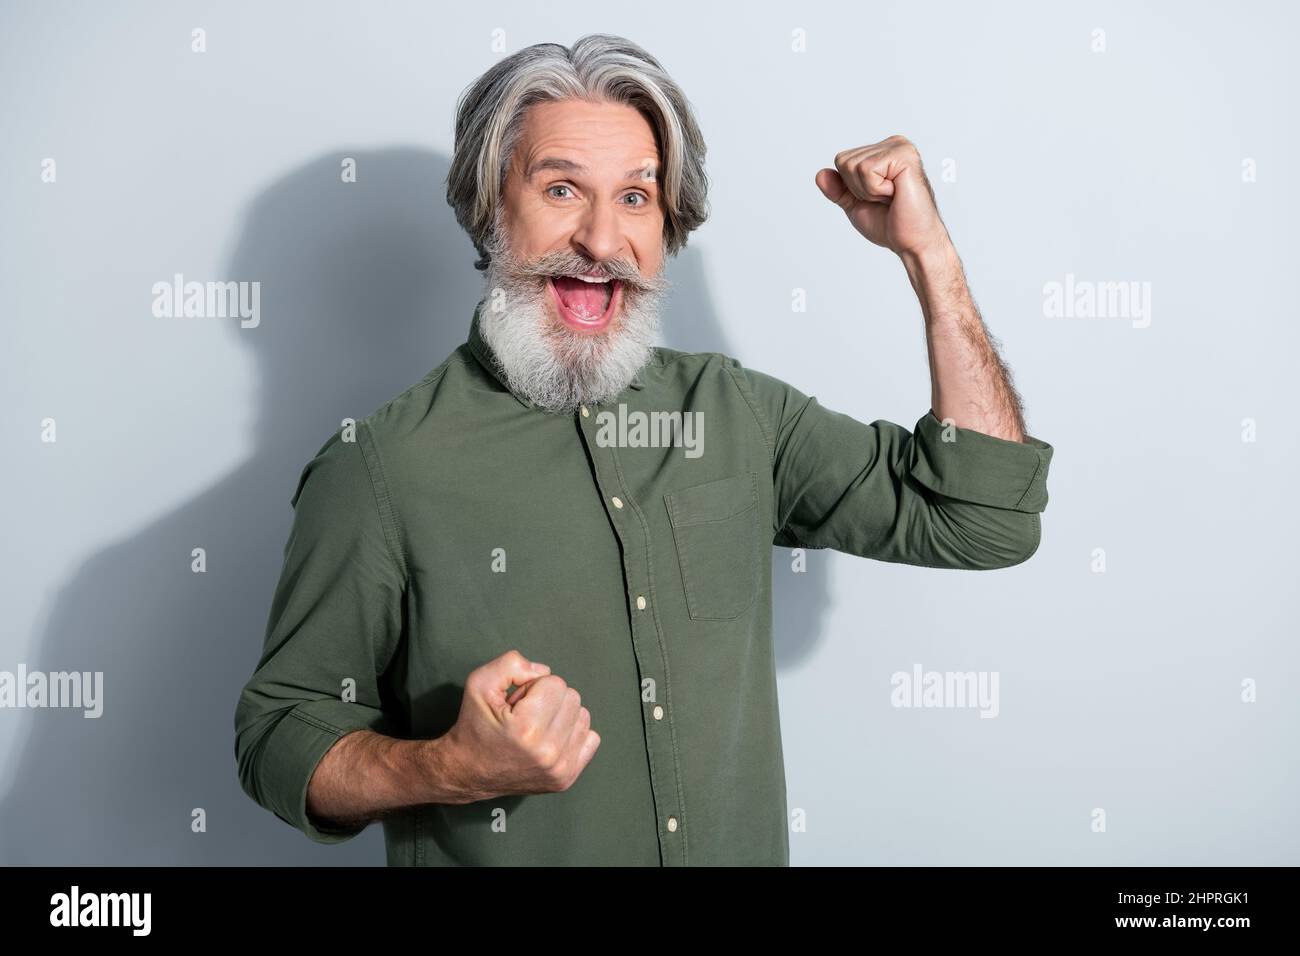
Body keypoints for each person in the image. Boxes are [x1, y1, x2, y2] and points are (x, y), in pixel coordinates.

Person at [233, 33, 1054, 866]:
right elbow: (278, 737)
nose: (601, 239)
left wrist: (929, 256)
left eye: (635, 197)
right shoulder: (379, 467)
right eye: (561, 188)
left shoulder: (737, 413)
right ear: (490, 209)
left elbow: (982, 519)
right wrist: (448, 767)